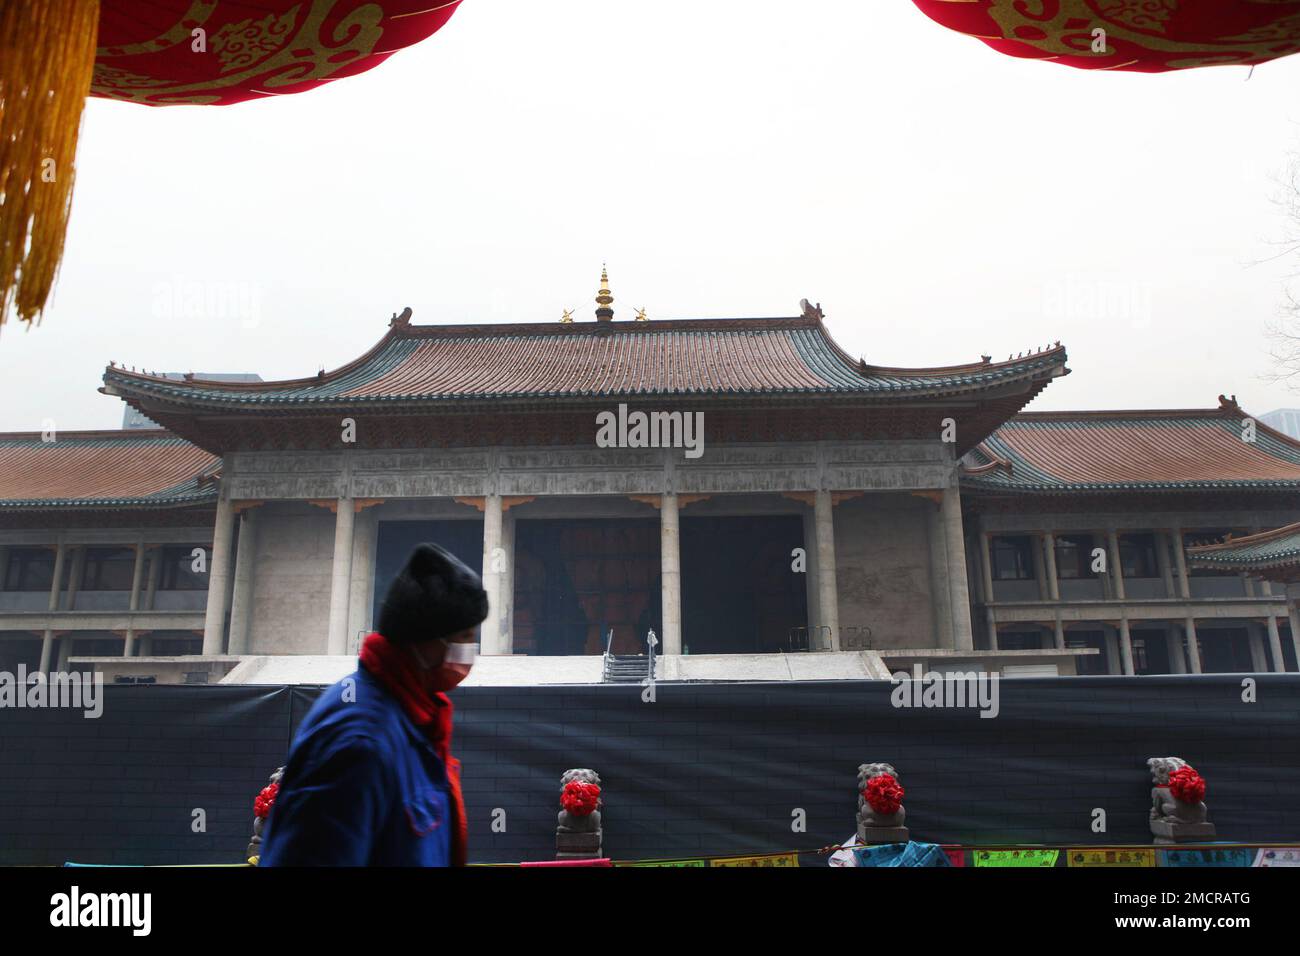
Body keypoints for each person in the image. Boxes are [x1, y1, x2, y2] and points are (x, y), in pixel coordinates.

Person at [260, 543, 487, 866]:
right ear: (424, 639)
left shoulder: (415, 721)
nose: (470, 649)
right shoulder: (359, 741)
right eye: (463, 636)